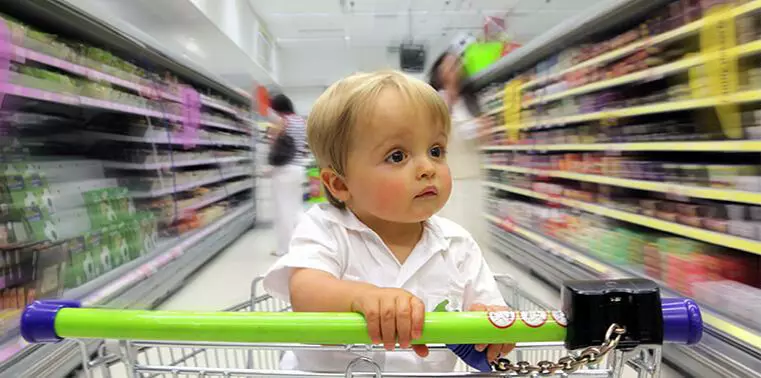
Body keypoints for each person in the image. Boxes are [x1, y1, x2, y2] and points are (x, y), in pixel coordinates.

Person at [263, 71, 512, 373]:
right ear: (340, 184)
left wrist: (492, 327)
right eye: (397, 156)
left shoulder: (457, 244)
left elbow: (490, 311)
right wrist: (364, 298)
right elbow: (306, 293)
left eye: (436, 151)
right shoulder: (325, 228)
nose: (427, 168)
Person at [429, 52, 489, 247]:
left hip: (472, 173)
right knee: (447, 227)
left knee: (471, 227)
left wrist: (482, 129)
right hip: (444, 174)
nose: (452, 69)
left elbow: (485, 134)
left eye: (455, 65)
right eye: (447, 66)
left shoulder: (471, 102)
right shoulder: (434, 100)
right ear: (438, 71)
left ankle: (470, 269)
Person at [269, 94, 306, 257]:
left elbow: (273, 139)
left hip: (284, 169)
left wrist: (272, 133)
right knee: (296, 208)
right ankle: (303, 243)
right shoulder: (301, 121)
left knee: (282, 209)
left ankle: (284, 248)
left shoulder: (283, 122)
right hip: (298, 168)